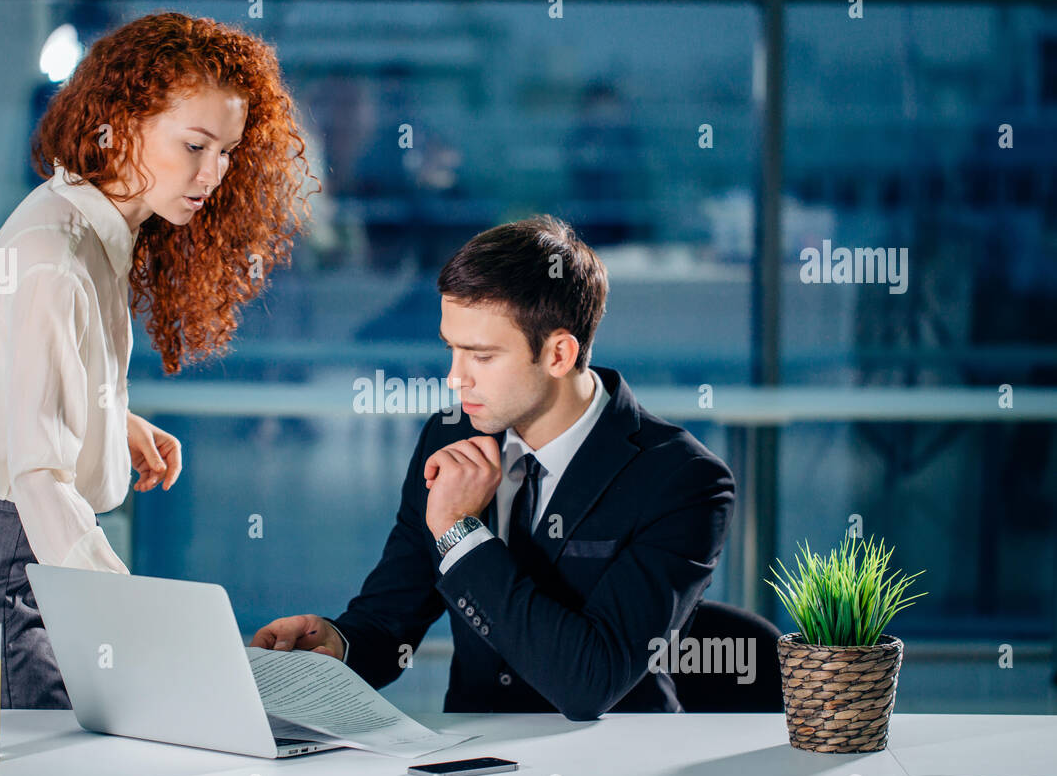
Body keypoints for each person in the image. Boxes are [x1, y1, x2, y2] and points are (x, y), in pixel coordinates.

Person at [0, 12, 314, 710]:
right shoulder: (55, 258)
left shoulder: (94, 223)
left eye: (227, 151)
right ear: (119, 125)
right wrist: (138, 629)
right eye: (194, 145)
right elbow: (38, 482)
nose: (213, 174)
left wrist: (108, 416)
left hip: (18, 562)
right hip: (1, 579)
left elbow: (20, 383)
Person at [252, 216, 734, 721]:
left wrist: (460, 533)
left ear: (558, 354)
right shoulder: (449, 436)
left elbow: (590, 683)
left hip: (616, 755)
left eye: (480, 356)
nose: (454, 378)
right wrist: (335, 646)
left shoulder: (684, 480)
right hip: (474, 747)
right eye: (452, 349)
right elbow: (389, 621)